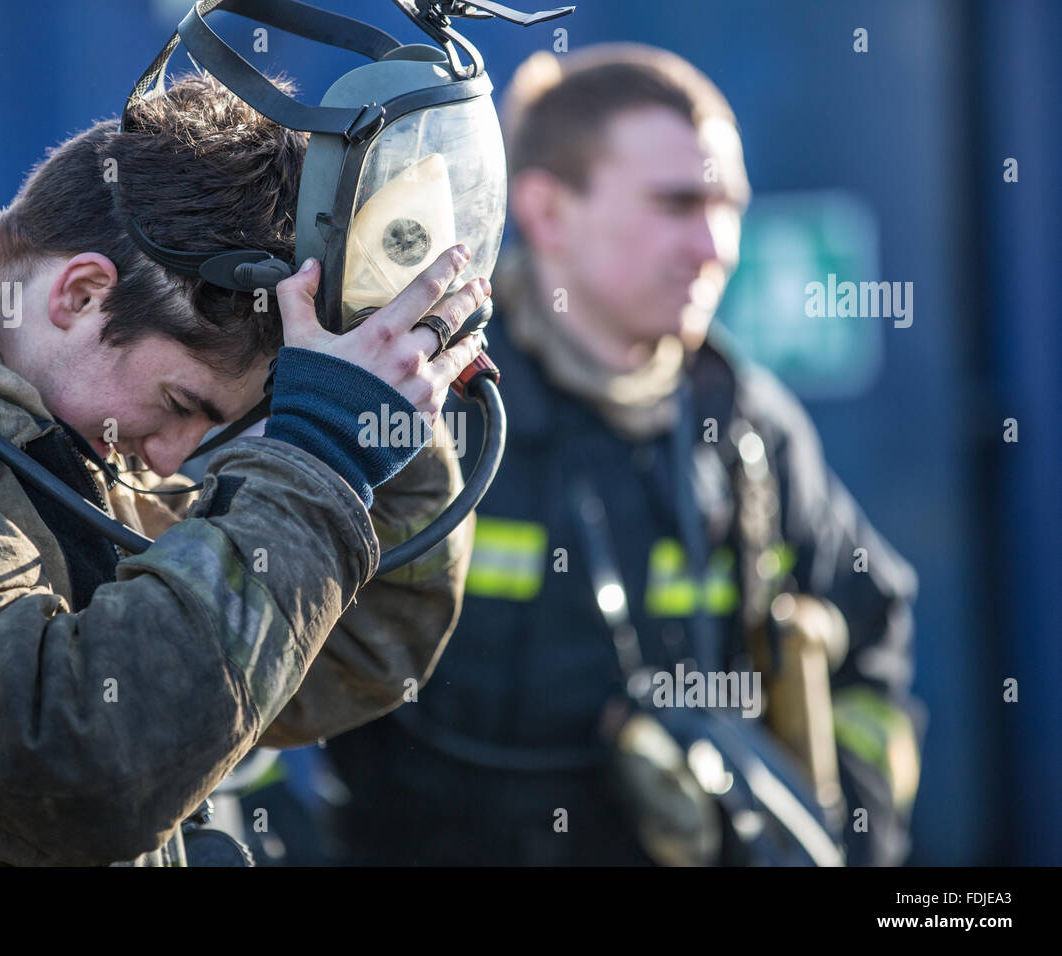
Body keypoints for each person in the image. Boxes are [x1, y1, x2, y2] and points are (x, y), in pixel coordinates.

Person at [0, 72, 489, 866]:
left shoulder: (44, 442)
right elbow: (76, 768)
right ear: (79, 295)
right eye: (181, 401)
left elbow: (359, 646)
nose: (176, 454)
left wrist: (375, 363)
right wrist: (322, 452)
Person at [326, 44, 925, 866]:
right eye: (677, 204)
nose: (715, 245)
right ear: (545, 211)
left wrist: (839, 830)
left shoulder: (751, 430)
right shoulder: (429, 411)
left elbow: (873, 657)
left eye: (729, 206)